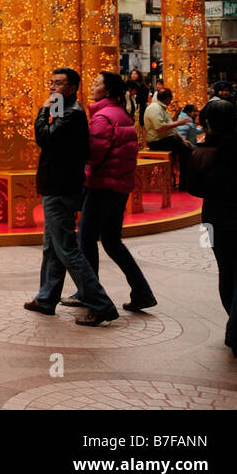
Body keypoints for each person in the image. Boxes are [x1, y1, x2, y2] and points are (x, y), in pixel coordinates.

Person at [25, 67, 120, 325]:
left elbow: (43, 136)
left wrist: (43, 110)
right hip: (55, 184)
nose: (52, 87)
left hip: (60, 187)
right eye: (51, 82)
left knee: (66, 249)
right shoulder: (62, 108)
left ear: (71, 88)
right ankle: (46, 298)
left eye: (58, 84)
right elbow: (50, 134)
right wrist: (50, 109)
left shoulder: (73, 115)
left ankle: (101, 304)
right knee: (52, 248)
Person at [73, 70, 156, 317]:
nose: (92, 86)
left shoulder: (102, 118)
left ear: (107, 91)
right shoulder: (121, 114)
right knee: (111, 241)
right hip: (119, 187)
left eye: (97, 83)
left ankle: (91, 295)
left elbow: (95, 155)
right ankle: (142, 292)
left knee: (85, 239)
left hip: (102, 187)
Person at [187, 100, 237, 358]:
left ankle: (236, 322)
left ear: (208, 123)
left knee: (226, 271)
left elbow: (193, 189)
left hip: (214, 221)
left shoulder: (200, 153)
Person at [144, 88, 194, 190]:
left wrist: (182, 139)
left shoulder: (161, 108)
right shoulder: (155, 108)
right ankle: (184, 184)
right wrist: (178, 123)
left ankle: (186, 182)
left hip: (167, 138)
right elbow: (160, 128)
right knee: (188, 152)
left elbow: (172, 129)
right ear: (167, 99)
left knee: (190, 148)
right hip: (158, 141)